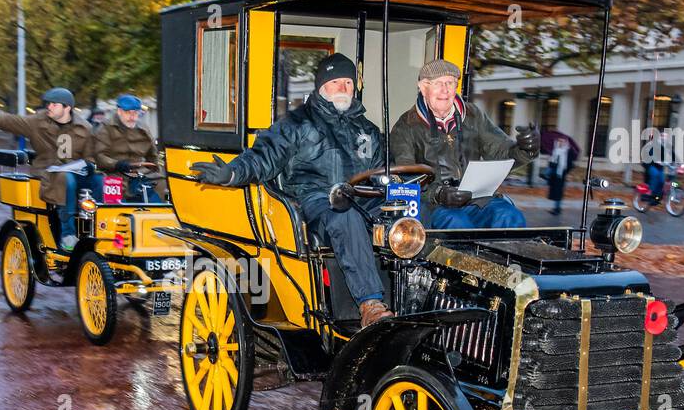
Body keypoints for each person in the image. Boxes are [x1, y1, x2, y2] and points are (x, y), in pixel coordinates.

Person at [190, 53, 394, 328]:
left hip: (361, 199)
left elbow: (383, 173)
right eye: (336, 83)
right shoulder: (295, 124)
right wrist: (232, 173)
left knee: (406, 213)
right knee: (346, 216)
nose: (344, 89)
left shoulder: (367, 129)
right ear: (321, 87)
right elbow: (263, 158)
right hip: (318, 201)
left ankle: (421, 295)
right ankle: (370, 303)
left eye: (348, 82)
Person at [389, 60, 538, 228]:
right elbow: (404, 178)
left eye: (450, 83)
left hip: (476, 199)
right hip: (433, 205)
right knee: (456, 224)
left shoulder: (473, 115)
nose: (445, 90)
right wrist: (438, 194)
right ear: (424, 87)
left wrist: (526, 149)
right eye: (438, 83)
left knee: (509, 216)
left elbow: (500, 152)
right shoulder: (406, 126)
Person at [0, 88, 96, 251]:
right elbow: (10, 120)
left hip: (75, 171)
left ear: (67, 108)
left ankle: (98, 231)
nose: (49, 107)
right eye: (48, 103)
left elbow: (91, 157)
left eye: (54, 104)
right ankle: (68, 236)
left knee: (99, 180)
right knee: (66, 179)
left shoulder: (84, 127)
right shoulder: (37, 122)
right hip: (48, 174)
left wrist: (90, 164)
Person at [92, 94, 165, 202]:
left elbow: (152, 155)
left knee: (161, 183)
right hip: (113, 173)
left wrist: (155, 169)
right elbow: (100, 156)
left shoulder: (143, 130)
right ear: (119, 111)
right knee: (113, 200)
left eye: (135, 113)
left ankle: (158, 216)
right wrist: (117, 164)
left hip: (139, 173)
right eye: (128, 112)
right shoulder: (106, 128)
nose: (132, 116)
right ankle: (115, 215)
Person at [541, 130, 581, 217]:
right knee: (555, 192)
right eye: (558, 141)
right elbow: (551, 162)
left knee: (558, 193)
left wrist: (565, 172)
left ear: (565, 142)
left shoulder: (568, 152)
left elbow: (571, 163)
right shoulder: (555, 152)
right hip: (554, 175)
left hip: (560, 175)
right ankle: (546, 175)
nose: (560, 143)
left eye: (562, 141)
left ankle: (557, 209)